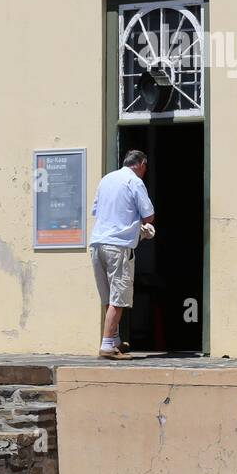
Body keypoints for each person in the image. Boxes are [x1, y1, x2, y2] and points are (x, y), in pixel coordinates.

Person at [88, 150, 155, 359]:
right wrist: (142, 229)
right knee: (119, 297)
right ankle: (107, 345)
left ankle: (115, 340)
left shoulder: (106, 179)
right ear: (141, 164)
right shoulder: (134, 181)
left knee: (108, 295)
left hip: (97, 243)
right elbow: (149, 215)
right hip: (117, 246)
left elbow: (96, 210)